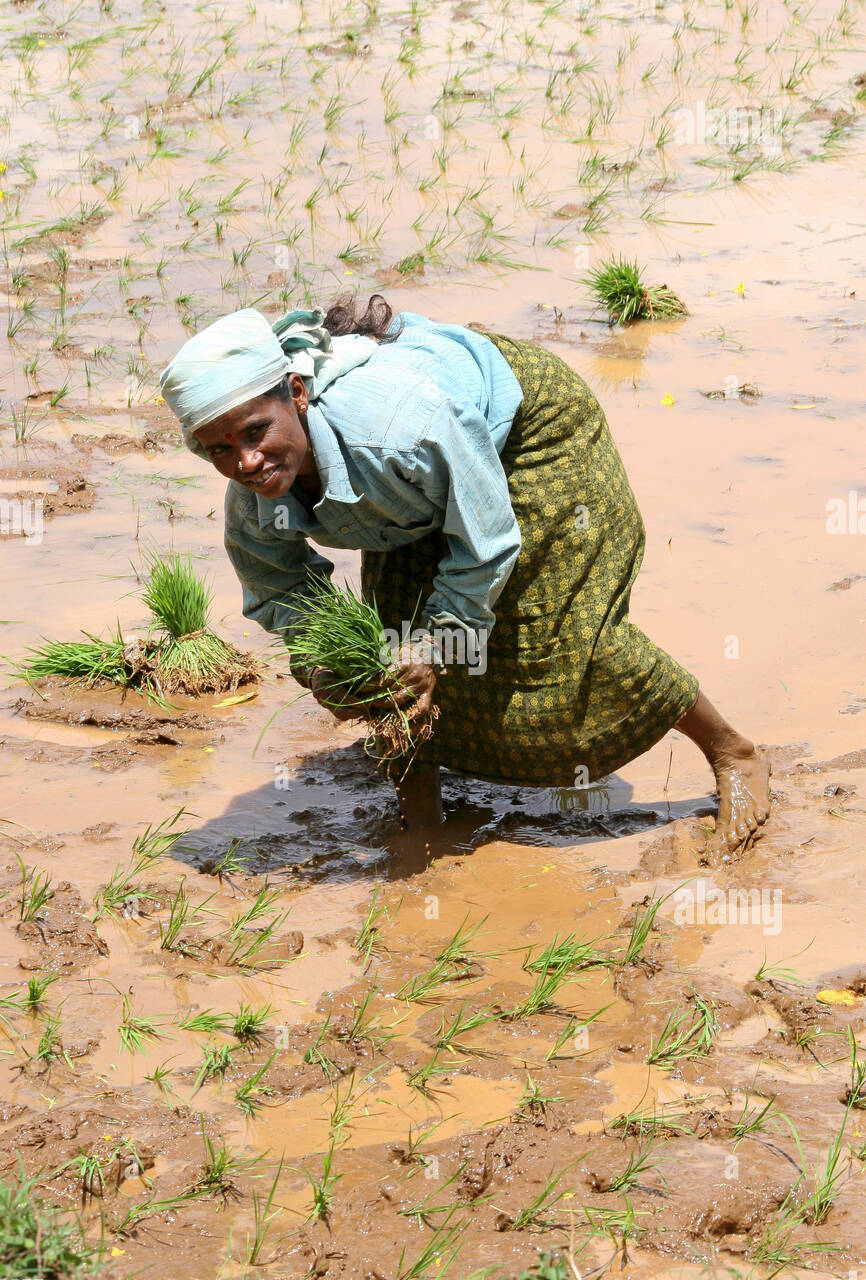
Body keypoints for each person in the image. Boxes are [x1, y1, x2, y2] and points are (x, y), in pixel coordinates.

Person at [159, 294, 770, 864]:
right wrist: (324, 665)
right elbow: (279, 589)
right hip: (418, 482)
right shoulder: (254, 493)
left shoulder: (403, 426)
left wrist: (436, 645)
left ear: (295, 393)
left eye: (254, 432)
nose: (244, 462)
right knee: (388, 645)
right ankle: (422, 817)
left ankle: (731, 750)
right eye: (218, 450)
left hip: (524, 433)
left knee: (554, 632)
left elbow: (486, 545)